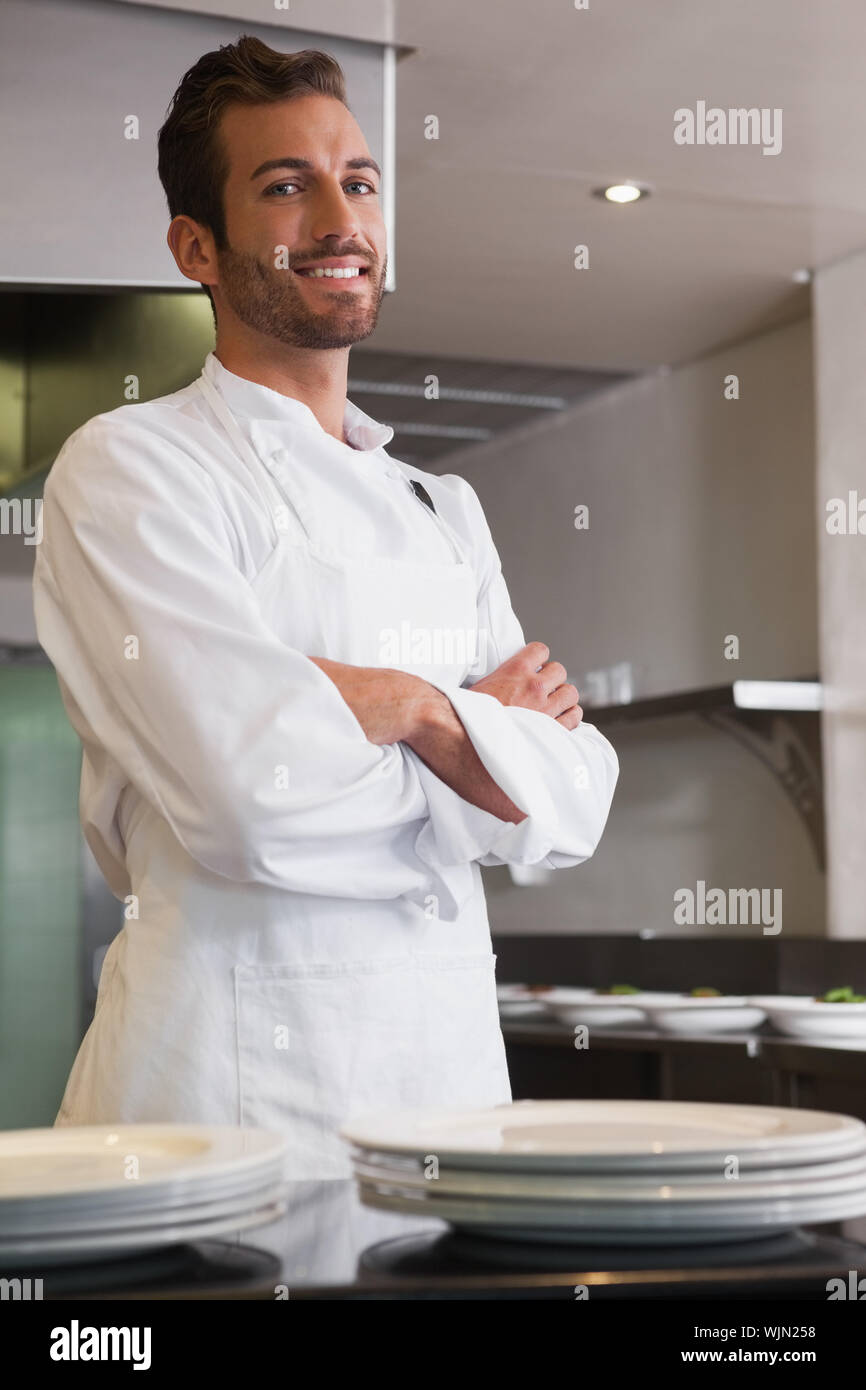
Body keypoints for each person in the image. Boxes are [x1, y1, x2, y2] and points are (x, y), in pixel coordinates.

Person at [32, 37, 619, 1178]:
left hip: (450, 1104)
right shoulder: (132, 466)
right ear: (197, 248)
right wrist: (461, 724)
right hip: (225, 1113)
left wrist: (395, 713)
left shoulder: (442, 506)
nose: (341, 220)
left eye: (358, 181)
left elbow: (568, 805)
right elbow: (249, 799)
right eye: (285, 186)